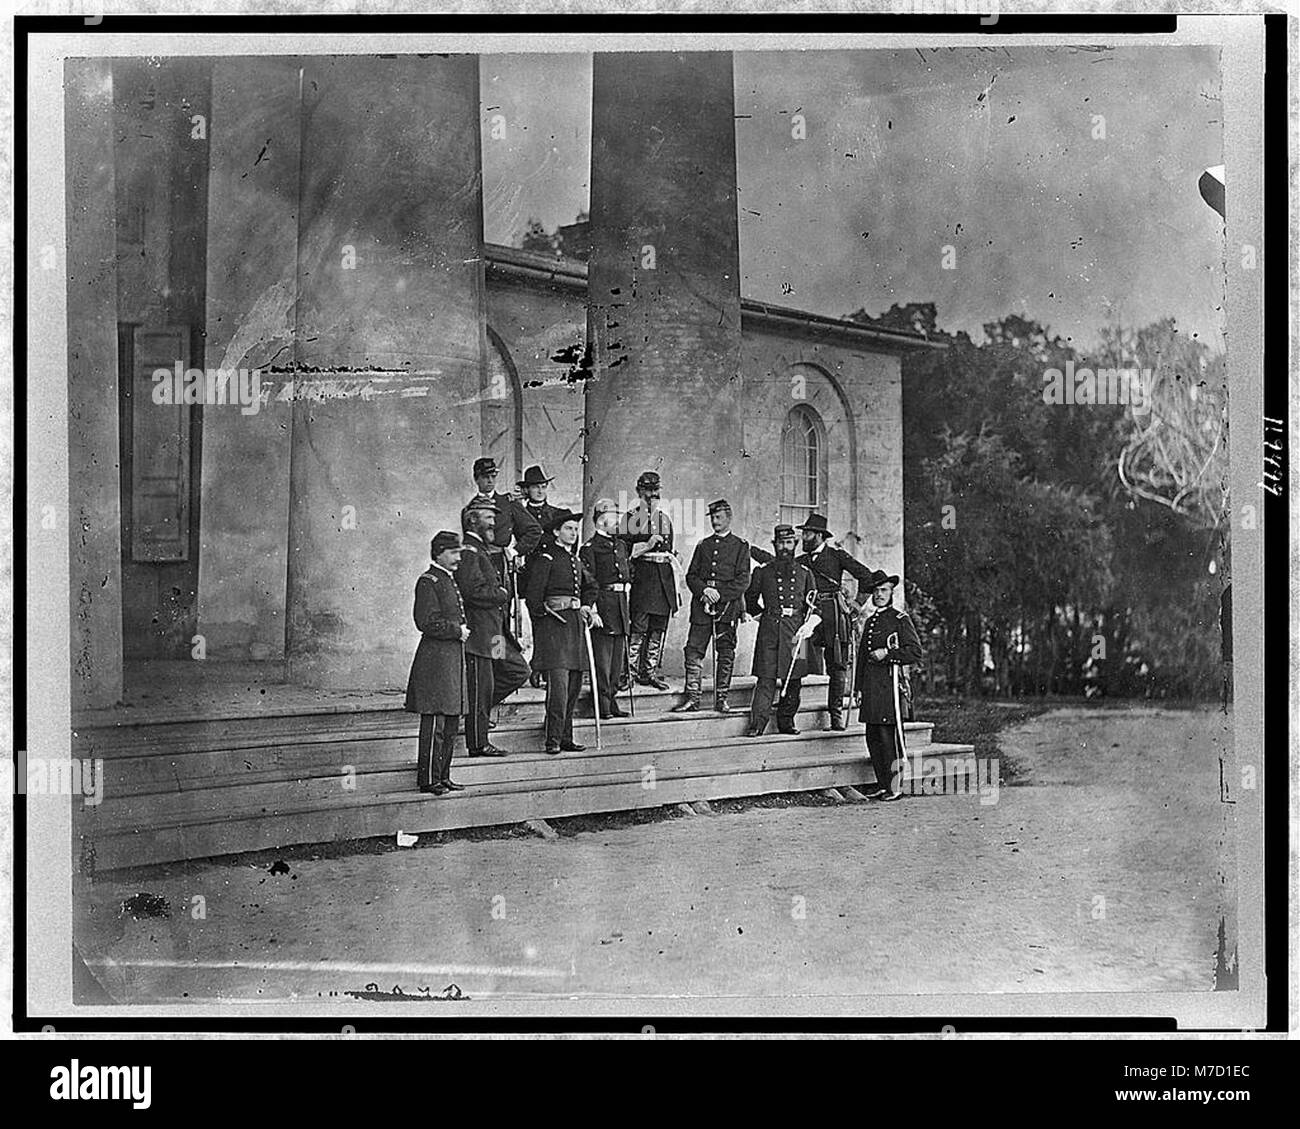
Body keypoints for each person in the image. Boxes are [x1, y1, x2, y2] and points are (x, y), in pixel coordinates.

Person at [794, 514, 877, 731]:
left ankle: (836, 715)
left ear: (820, 536)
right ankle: (791, 707)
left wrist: (856, 607)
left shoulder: (836, 556)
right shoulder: (800, 561)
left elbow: (867, 577)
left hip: (833, 617)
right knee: (797, 657)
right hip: (808, 617)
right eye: (803, 533)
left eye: (807, 533)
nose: (803, 537)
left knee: (837, 664)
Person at [525, 508, 599, 754]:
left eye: (576, 529)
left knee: (574, 685)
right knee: (558, 688)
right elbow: (534, 598)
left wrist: (586, 606)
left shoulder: (575, 560)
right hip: (555, 628)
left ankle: (567, 738)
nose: (573, 533)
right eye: (568, 528)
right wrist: (546, 622)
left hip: (575, 627)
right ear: (556, 532)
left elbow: (591, 586)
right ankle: (553, 740)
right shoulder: (546, 559)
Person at [403, 531, 470, 795]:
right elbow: (426, 621)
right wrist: (457, 631)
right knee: (435, 722)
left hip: (451, 658)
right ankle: (429, 779)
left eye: (459, 552)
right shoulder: (429, 580)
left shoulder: (448, 580)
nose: (458, 557)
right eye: (453, 552)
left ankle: (443, 776)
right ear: (439, 552)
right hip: (435, 660)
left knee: (451, 720)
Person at [672, 498, 751, 713]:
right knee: (693, 651)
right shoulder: (703, 545)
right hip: (702, 607)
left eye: (718, 518)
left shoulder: (741, 546)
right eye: (713, 518)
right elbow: (691, 576)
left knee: (725, 652)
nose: (715, 522)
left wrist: (719, 595)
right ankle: (693, 699)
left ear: (729, 518)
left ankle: (721, 699)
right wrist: (704, 591)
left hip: (727, 609)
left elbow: (744, 580)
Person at [854, 570, 923, 801]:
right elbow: (862, 658)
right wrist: (858, 689)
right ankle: (883, 785)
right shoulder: (871, 621)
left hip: (889, 689)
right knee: (872, 737)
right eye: (875, 590)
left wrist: (888, 653)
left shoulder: (900, 619)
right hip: (871, 688)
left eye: (884, 590)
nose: (879, 594)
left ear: (892, 592)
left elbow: (914, 652)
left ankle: (895, 787)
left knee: (887, 738)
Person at [744, 525, 818, 737]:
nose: (784, 547)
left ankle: (787, 722)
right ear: (775, 545)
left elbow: (815, 603)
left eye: (788, 543)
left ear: (794, 545)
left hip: (798, 633)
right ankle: (757, 724)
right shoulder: (763, 571)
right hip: (769, 631)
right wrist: (764, 617)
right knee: (765, 678)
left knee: (794, 679)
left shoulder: (806, 574)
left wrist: (809, 625)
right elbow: (750, 600)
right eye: (780, 543)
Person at [457, 502, 516, 758]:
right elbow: (472, 593)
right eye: (488, 517)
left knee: (516, 671)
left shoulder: (481, 549)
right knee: (482, 687)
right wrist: (501, 594)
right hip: (481, 635)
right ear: (472, 521)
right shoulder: (470, 552)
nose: (494, 522)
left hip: (495, 633)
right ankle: (478, 743)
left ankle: (472, 713)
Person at [620, 470, 679, 690]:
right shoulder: (630, 518)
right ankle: (630, 673)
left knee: (658, 629)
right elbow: (622, 552)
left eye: (655, 492)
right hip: (643, 582)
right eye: (647, 492)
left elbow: (669, 550)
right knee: (638, 628)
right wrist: (646, 544)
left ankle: (649, 672)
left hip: (663, 582)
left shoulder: (665, 520)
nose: (652, 496)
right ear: (638, 492)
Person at [580, 498, 632, 719]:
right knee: (603, 660)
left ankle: (612, 700)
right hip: (603, 605)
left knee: (617, 661)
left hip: (620, 604)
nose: (618, 522)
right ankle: (601, 703)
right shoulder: (590, 548)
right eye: (613, 517)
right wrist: (592, 610)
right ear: (601, 520)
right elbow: (588, 582)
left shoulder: (620, 545)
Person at [517, 464, 563, 688]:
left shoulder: (556, 514)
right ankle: (532, 669)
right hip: (530, 575)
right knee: (531, 624)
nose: (540, 491)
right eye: (535, 487)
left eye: (543, 486)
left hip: (551, 576)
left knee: (549, 625)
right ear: (527, 490)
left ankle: (545, 669)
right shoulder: (520, 513)